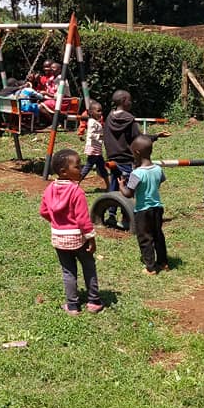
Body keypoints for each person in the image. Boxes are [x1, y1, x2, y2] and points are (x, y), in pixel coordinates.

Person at [39, 149, 103, 315]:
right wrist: (91, 238)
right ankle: (94, 301)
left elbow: (44, 212)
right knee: (88, 266)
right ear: (63, 171)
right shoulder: (77, 191)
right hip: (78, 238)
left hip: (59, 238)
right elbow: (83, 220)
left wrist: (58, 223)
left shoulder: (49, 189)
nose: (81, 169)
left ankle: (73, 306)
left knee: (68, 271)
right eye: (77, 166)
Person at [103, 89, 169, 225]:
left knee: (114, 185)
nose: (131, 102)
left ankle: (111, 214)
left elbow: (107, 138)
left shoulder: (109, 118)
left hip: (113, 159)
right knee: (128, 187)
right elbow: (138, 139)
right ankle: (126, 217)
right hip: (127, 160)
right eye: (130, 100)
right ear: (124, 101)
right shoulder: (129, 120)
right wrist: (155, 136)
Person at [119, 135, 170, 275]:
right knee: (158, 235)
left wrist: (121, 186)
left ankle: (150, 267)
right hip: (157, 208)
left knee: (145, 238)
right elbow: (160, 181)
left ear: (137, 153)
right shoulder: (158, 169)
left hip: (143, 211)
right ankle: (163, 262)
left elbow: (129, 193)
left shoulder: (137, 173)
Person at [79, 100, 109, 189]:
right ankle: (76, 183)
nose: (100, 113)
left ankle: (109, 185)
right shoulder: (92, 122)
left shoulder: (97, 121)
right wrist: (101, 136)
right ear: (91, 112)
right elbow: (91, 134)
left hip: (97, 149)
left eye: (101, 111)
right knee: (87, 167)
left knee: (102, 167)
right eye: (98, 111)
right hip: (93, 148)